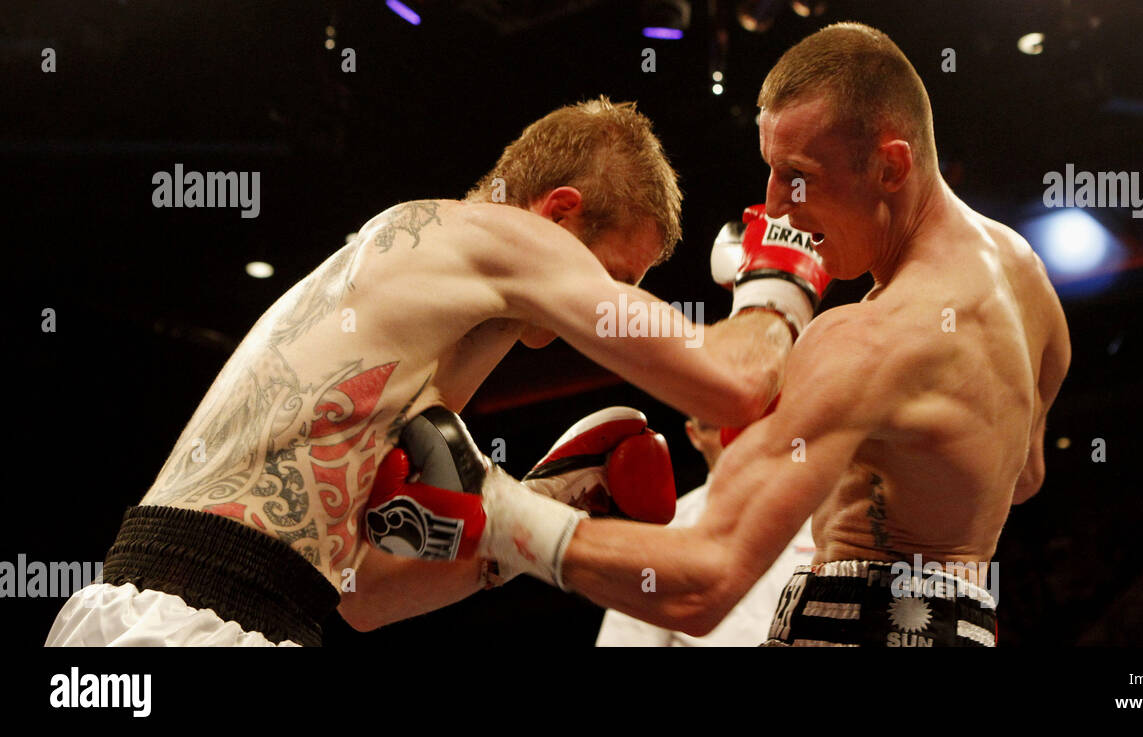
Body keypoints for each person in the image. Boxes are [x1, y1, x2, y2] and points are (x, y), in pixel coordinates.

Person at [44, 97, 828, 647]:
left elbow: (362, 598)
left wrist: (532, 511)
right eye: (617, 277)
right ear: (558, 214)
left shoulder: (425, 337)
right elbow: (732, 382)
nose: (612, 305)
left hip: (213, 612)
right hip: (191, 613)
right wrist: (783, 272)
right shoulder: (492, 235)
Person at [399, 23, 1072, 647]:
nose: (775, 205)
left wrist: (498, 505)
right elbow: (1023, 477)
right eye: (772, 168)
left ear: (891, 166)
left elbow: (706, 582)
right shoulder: (1026, 280)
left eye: (799, 175)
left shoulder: (865, 339)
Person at [595, 417, 814, 646]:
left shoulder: (823, 519)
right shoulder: (661, 535)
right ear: (694, 435)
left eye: (744, 424)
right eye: (716, 425)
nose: (731, 438)